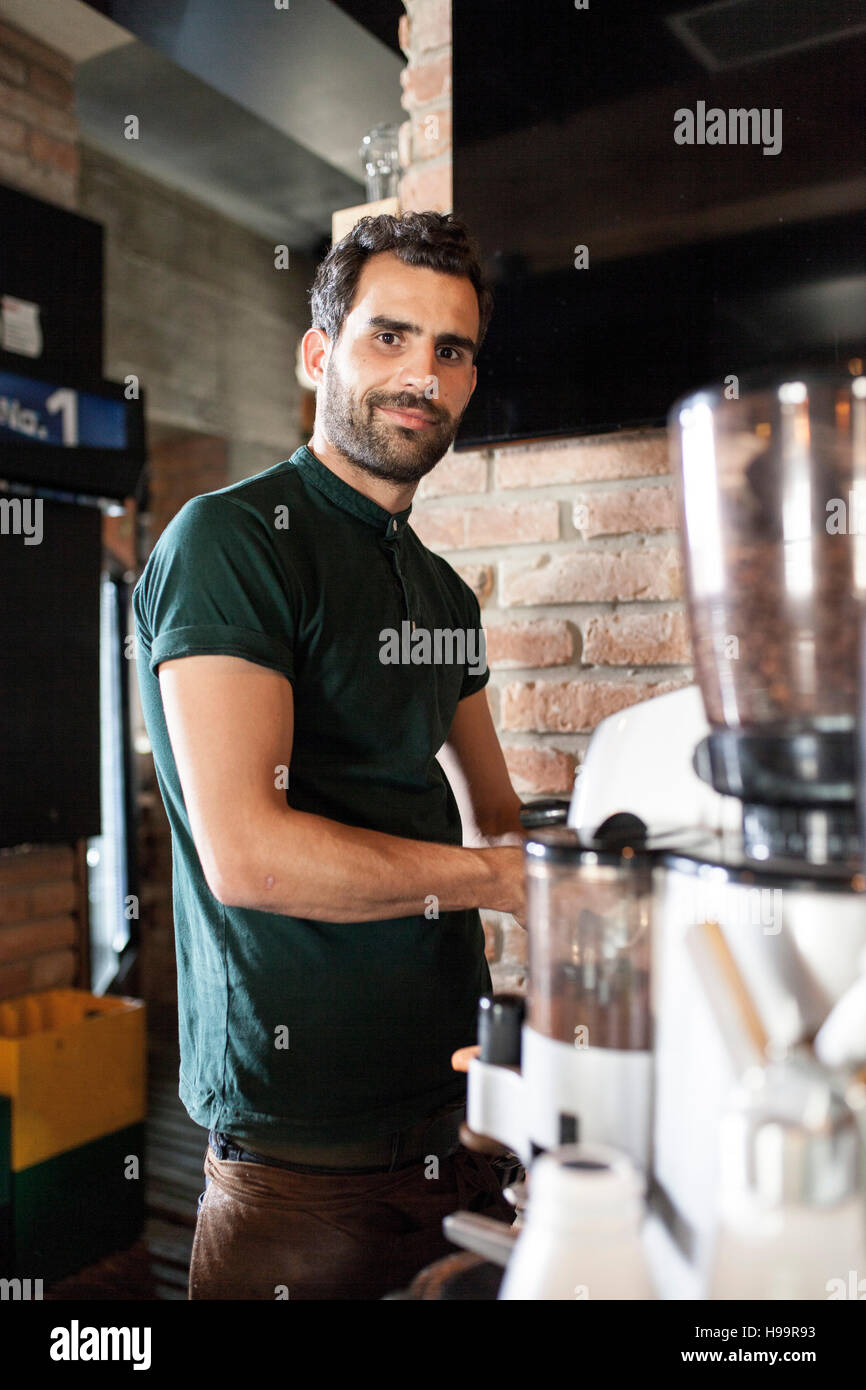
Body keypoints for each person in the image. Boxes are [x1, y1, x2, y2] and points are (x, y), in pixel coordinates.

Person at [132, 210, 527, 1300]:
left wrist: (626, 849)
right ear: (319, 354)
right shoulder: (227, 542)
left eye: (450, 350)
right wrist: (497, 881)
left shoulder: (443, 593)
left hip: (460, 1127)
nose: (422, 374)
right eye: (388, 336)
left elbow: (497, 814)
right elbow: (247, 857)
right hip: (301, 1165)